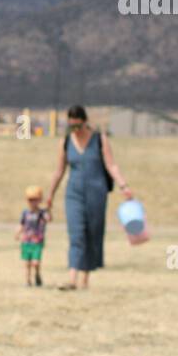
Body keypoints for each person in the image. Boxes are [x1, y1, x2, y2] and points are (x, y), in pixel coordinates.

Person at [45, 105, 133, 290]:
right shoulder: (66, 142)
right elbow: (59, 171)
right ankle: (72, 278)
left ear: (85, 123)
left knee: (92, 233)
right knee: (76, 233)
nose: (75, 131)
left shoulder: (100, 140)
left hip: (96, 192)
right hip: (74, 193)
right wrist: (50, 195)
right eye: (71, 127)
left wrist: (124, 186)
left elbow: (111, 165)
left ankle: (85, 277)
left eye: (78, 126)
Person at [17, 185, 50, 287]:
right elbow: (22, 224)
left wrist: (49, 209)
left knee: (35, 263)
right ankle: (27, 281)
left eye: (35, 200)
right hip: (26, 241)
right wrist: (17, 233)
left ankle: (37, 275)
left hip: (37, 241)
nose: (32, 202)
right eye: (30, 200)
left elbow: (48, 219)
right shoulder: (25, 213)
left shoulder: (42, 213)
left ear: (39, 200)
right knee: (27, 263)